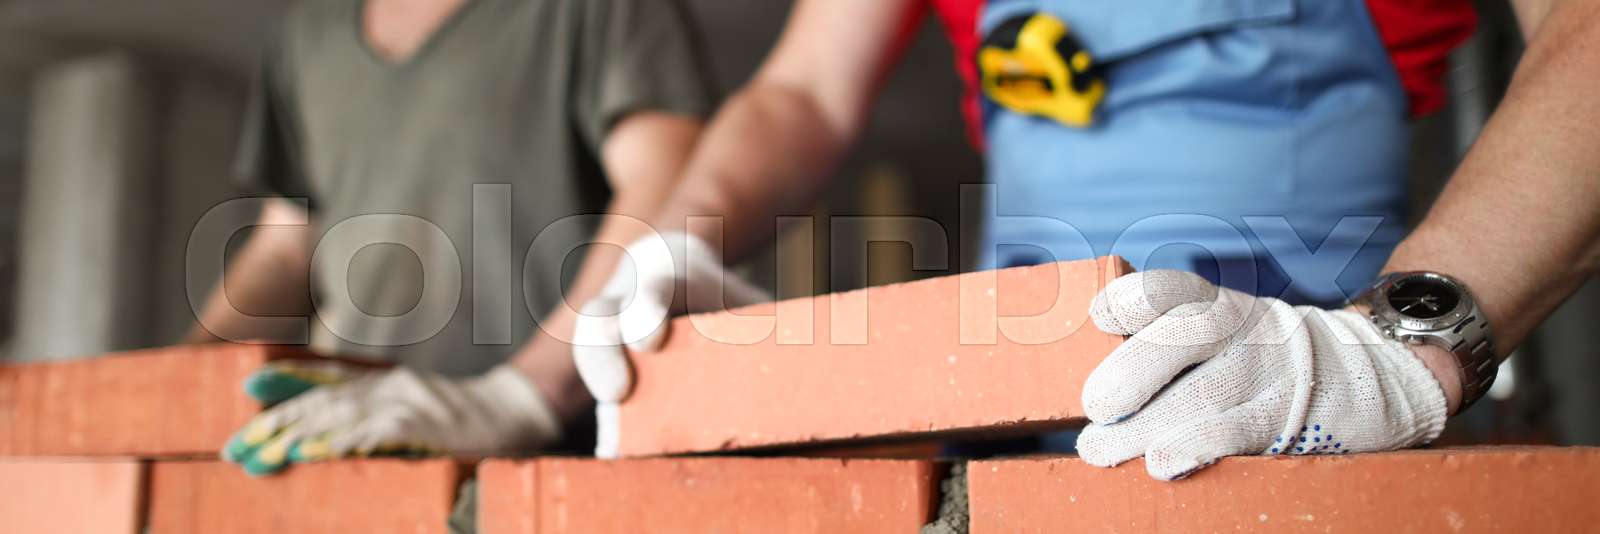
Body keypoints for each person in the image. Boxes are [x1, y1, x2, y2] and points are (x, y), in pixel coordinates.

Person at [570, 0, 1600, 480]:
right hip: (1006, 442)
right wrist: (672, 246)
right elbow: (800, 89)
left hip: (1311, 419)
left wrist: (1397, 351)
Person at [185, 0, 714, 475]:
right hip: (354, 440)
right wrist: (168, 384)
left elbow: (666, 180)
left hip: (549, 461)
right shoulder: (307, 34)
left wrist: (523, 396)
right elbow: (286, 246)